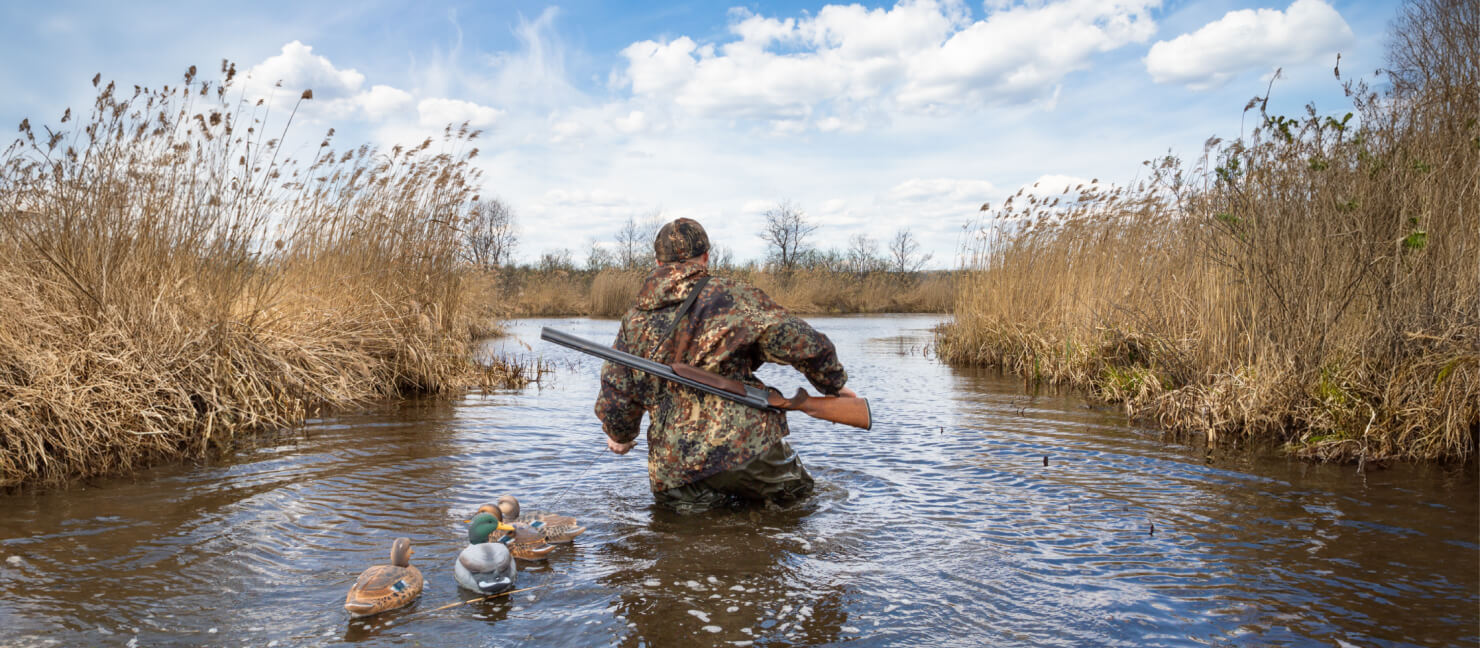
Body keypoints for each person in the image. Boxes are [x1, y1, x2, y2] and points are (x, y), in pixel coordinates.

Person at [594, 218, 857, 513]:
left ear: (657, 262)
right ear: (706, 257)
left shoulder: (634, 319)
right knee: (801, 507)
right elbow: (802, 340)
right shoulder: (733, 296)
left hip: (676, 467)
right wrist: (835, 385)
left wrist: (620, 435)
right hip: (748, 449)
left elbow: (617, 392)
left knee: (683, 546)